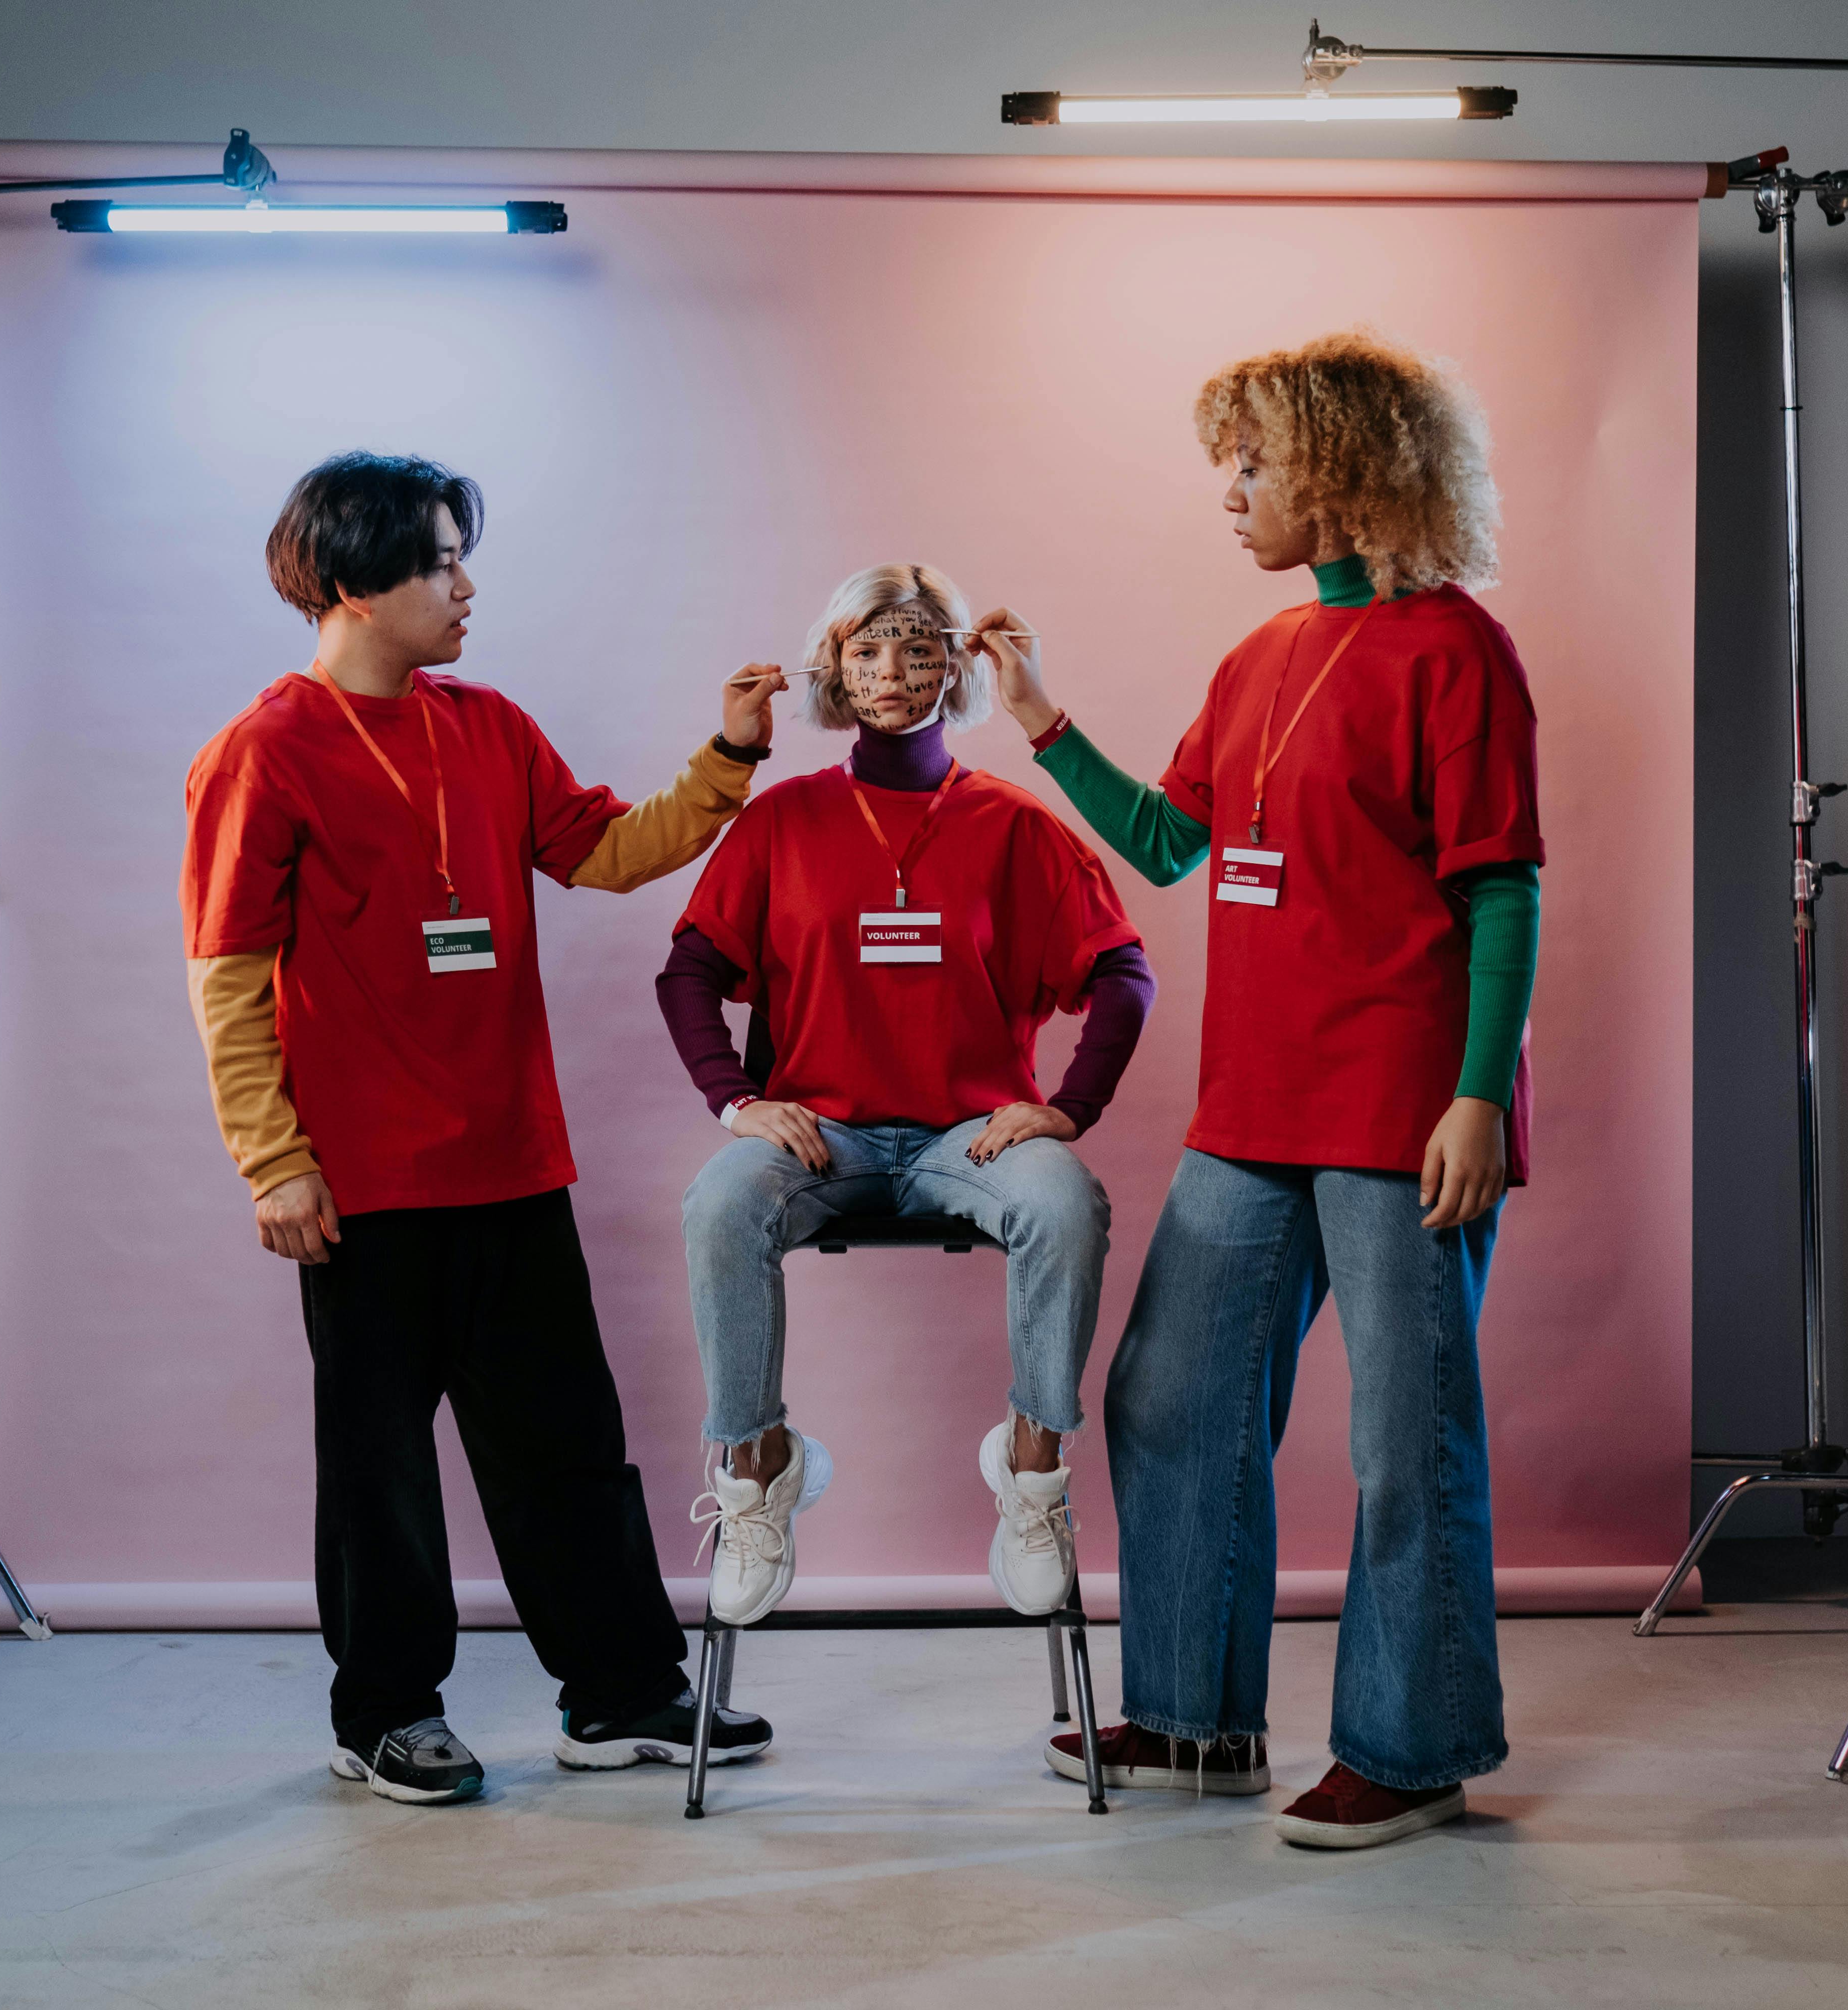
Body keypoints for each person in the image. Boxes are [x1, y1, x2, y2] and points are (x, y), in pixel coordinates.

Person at [978, 333, 1544, 1850]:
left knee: (1406, 1437)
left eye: (1254, 466)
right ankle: (1193, 1718)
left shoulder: (1458, 649)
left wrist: (1480, 1098)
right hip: (1254, 1105)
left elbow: (1503, 887)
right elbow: (1174, 844)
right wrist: (1040, 717)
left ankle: (1412, 1749)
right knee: (1172, 1395)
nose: (1231, 495)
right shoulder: (1258, 658)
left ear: (1346, 475)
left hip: (1404, 1107)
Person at [181, 451, 782, 1805]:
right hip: (361, 1186)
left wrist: (730, 755)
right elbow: (226, 976)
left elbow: (608, 851)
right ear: (355, 583)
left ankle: (619, 1692)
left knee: (568, 1444)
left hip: (510, 1163)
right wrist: (274, 1162)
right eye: (442, 563)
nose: (467, 587)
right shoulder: (263, 752)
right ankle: (386, 1714)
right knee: (380, 1469)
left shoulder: (491, 725)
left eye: (463, 559)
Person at [656, 563, 1155, 1628]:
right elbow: (689, 969)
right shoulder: (784, 819)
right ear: (833, 665)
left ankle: (1032, 1468)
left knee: (1065, 1200)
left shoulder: (1011, 823)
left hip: (971, 1136)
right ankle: (758, 1468)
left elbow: (1123, 970)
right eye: (867, 648)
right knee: (720, 1202)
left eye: (917, 648)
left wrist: (1069, 1107)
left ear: (953, 666)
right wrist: (736, 1101)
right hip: (820, 1133)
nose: (890, 670)